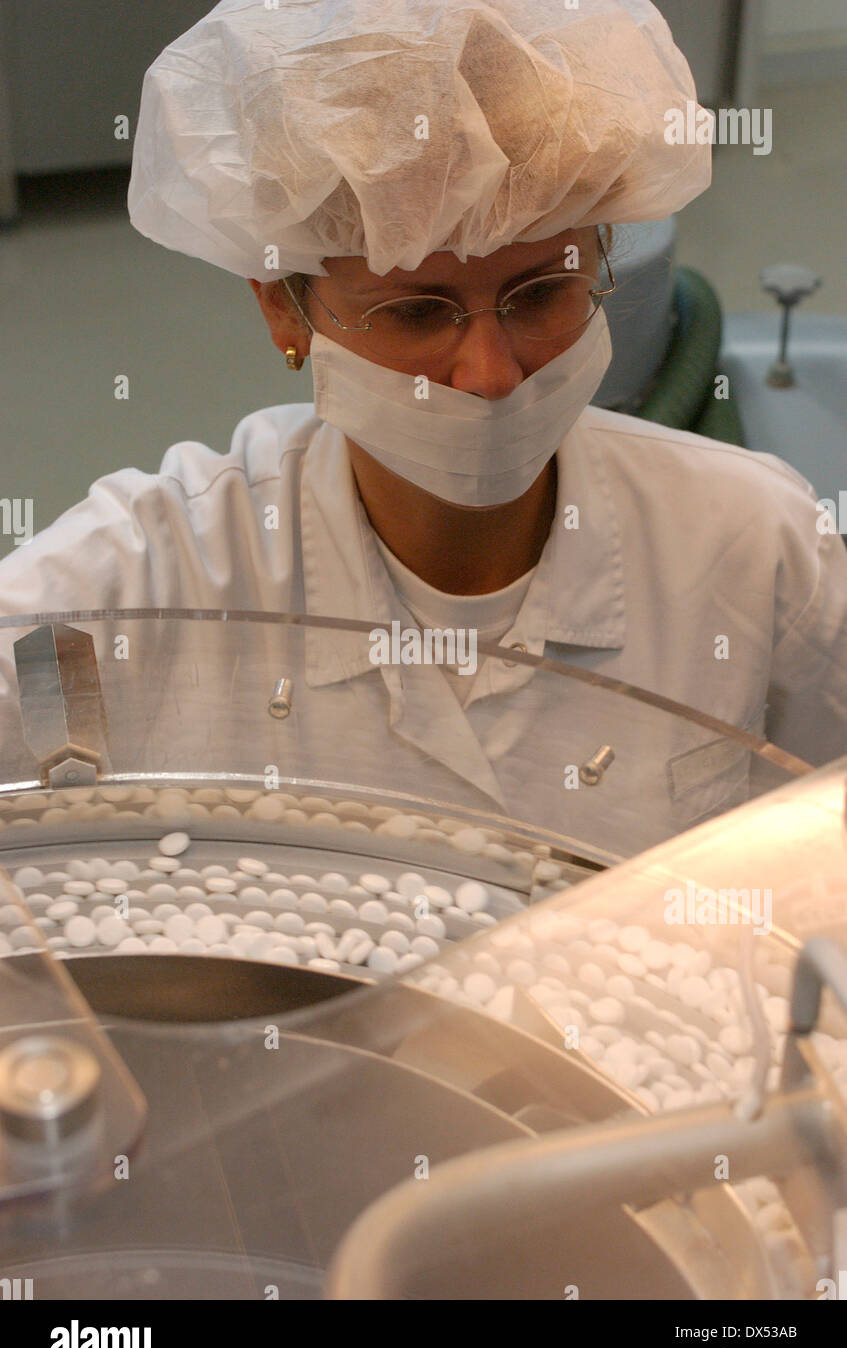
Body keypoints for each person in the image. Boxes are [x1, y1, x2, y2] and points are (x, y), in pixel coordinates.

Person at [0, 0, 845, 858]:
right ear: (283, 311)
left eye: (541, 295)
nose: (489, 374)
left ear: (600, 265)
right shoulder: (148, 574)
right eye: (415, 311)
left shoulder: (753, 540)